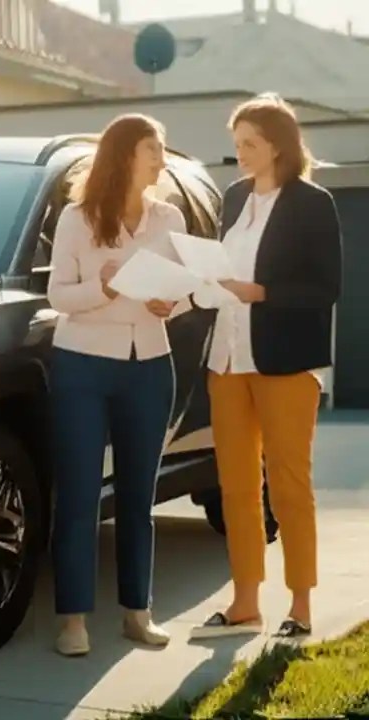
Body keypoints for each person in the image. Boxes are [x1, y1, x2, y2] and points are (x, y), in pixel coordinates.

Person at [189, 93, 342, 641]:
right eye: (236, 145)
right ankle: (244, 602)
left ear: (277, 145)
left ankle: (299, 607)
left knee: (288, 486)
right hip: (226, 361)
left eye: (249, 144)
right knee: (235, 487)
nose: (241, 154)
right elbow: (220, 271)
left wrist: (260, 292)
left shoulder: (311, 202)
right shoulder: (233, 198)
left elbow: (327, 288)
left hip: (285, 364)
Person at [47, 113, 189, 657]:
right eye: (153, 149)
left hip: (150, 365)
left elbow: (187, 291)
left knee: (139, 498)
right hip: (82, 364)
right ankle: (73, 621)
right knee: (81, 497)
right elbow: (59, 295)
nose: (160, 159)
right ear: (125, 154)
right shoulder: (77, 219)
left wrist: (170, 302)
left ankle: (138, 612)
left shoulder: (170, 217)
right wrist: (101, 289)